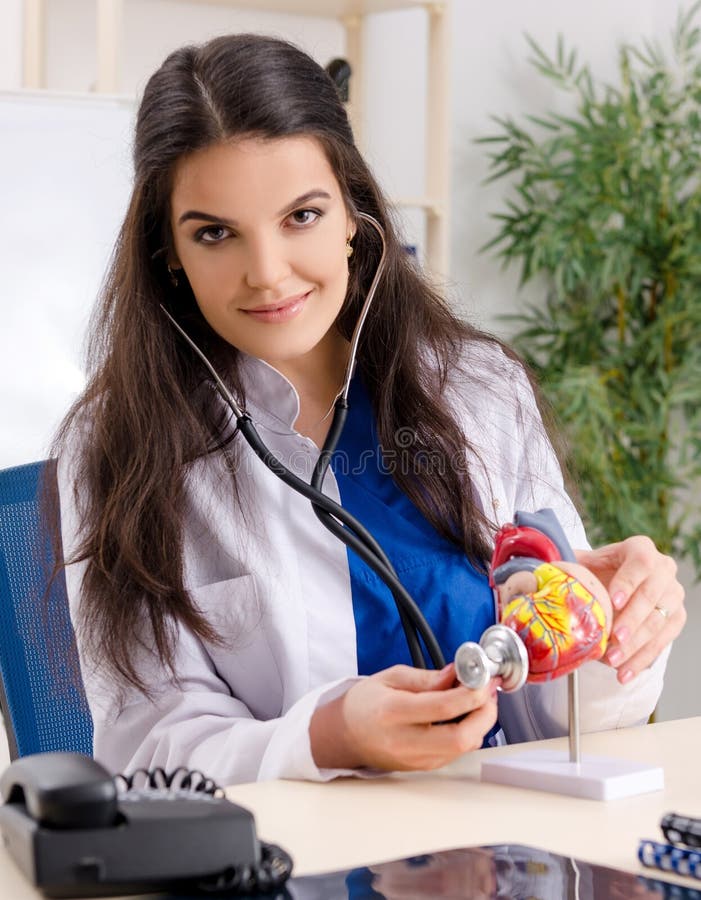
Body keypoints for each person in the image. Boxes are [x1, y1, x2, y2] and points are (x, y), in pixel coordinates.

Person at [54, 33, 685, 785]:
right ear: (169, 253)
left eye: (302, 217)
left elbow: (557, 715)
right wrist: (325, 737)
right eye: (215, 233)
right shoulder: (116, 447)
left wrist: (606, 625)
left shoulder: (479, 390)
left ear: (352, 213)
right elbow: (145, 749)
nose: (266, 273)